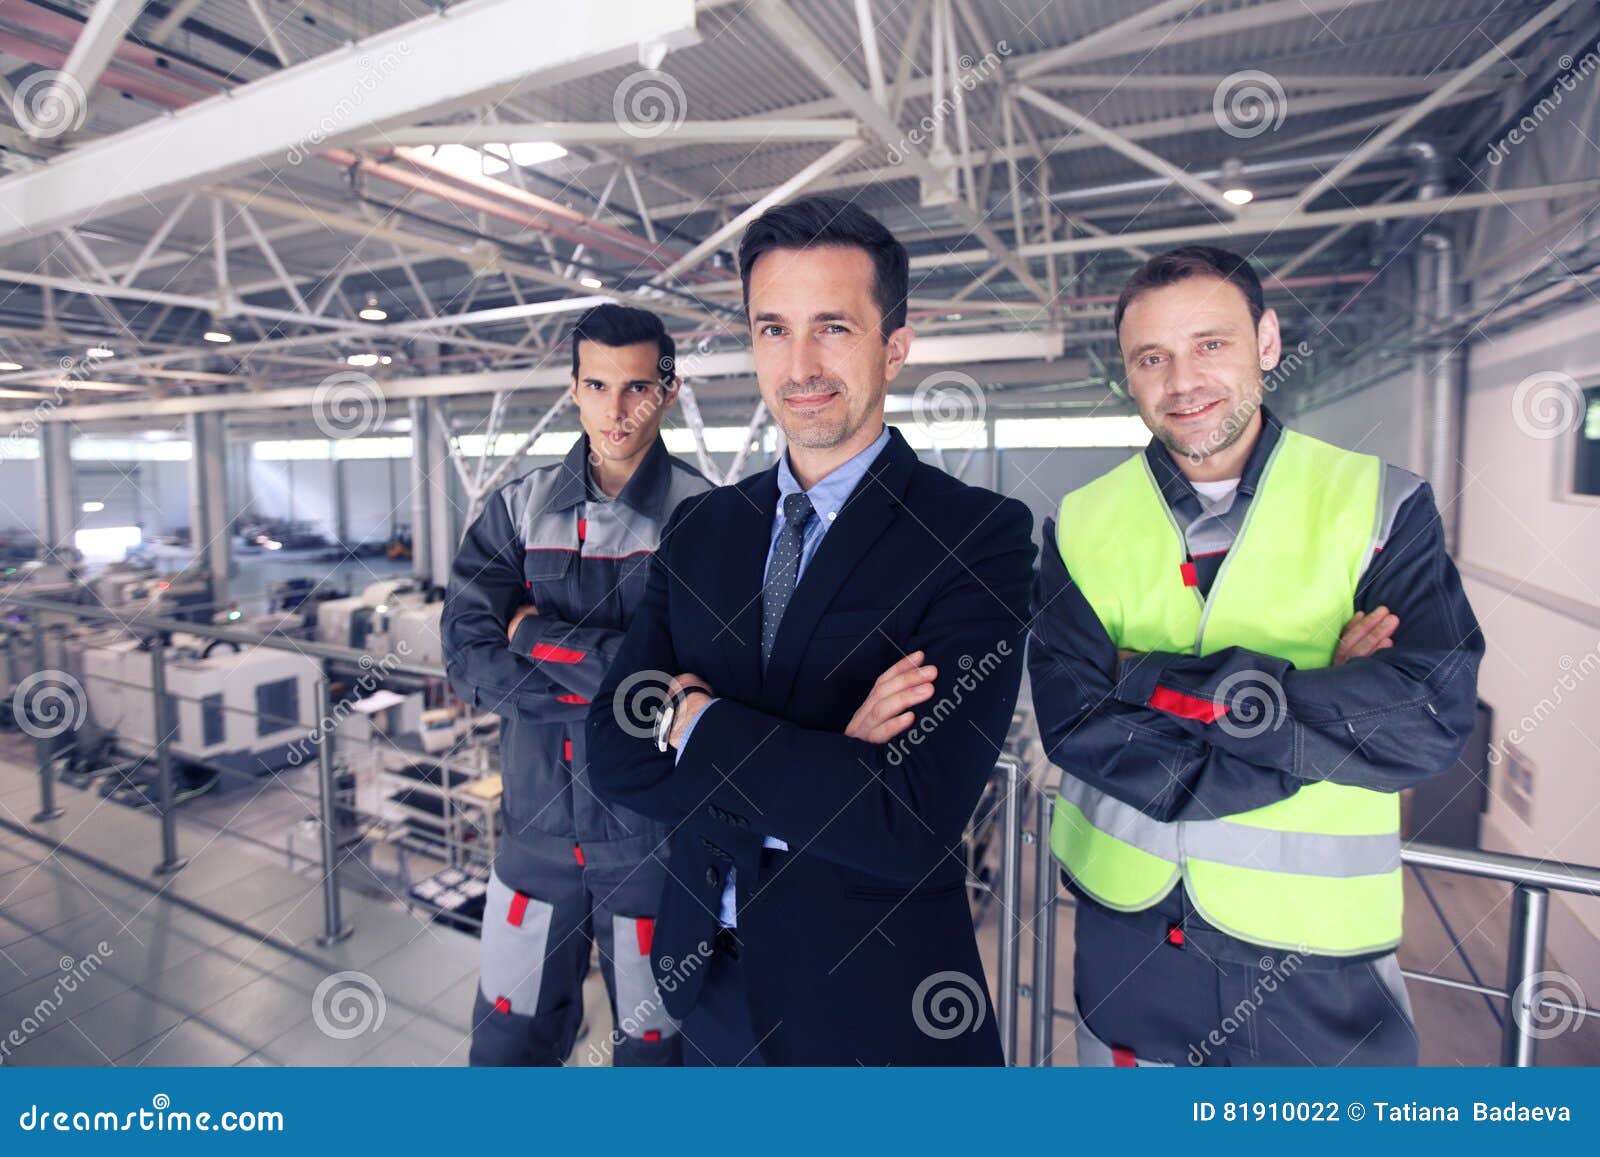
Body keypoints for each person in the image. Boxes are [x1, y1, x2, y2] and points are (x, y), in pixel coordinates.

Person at [586, 195, 1035, 1066]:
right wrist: (834, 762)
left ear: (894, 345)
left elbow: (910, 817)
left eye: (832, 326)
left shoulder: (978, 536)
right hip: (706, 983)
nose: (800, 365)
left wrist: (696, 725)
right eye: (772, 329)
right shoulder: (703, 528)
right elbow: (612, 748)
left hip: (871, 1007)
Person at [1028, 245, 1484, 1067]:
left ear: (1267, 343)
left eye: (1211, 344)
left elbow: (1425, 717)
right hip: (1129, 952)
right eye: (1152, 358)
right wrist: (1322, 705)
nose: (1183, 381)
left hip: (1315, 970)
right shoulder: (1082, 523)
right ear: (1127, 376)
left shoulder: (1381, 504)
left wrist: (1142, 678)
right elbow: (1075, 725)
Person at [442, 303, 711, 1066]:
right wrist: (613, 688)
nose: (616, 410)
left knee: (657, 1051)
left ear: (669, 390)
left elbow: (690, 678)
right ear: (573, 389)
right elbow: (465, 656)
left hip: (650, 843)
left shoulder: (708, 518)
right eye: (597, 386)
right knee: (506, 1045)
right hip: (533, 839)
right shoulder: (515, 509)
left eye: (636, 389)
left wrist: (530, 634)